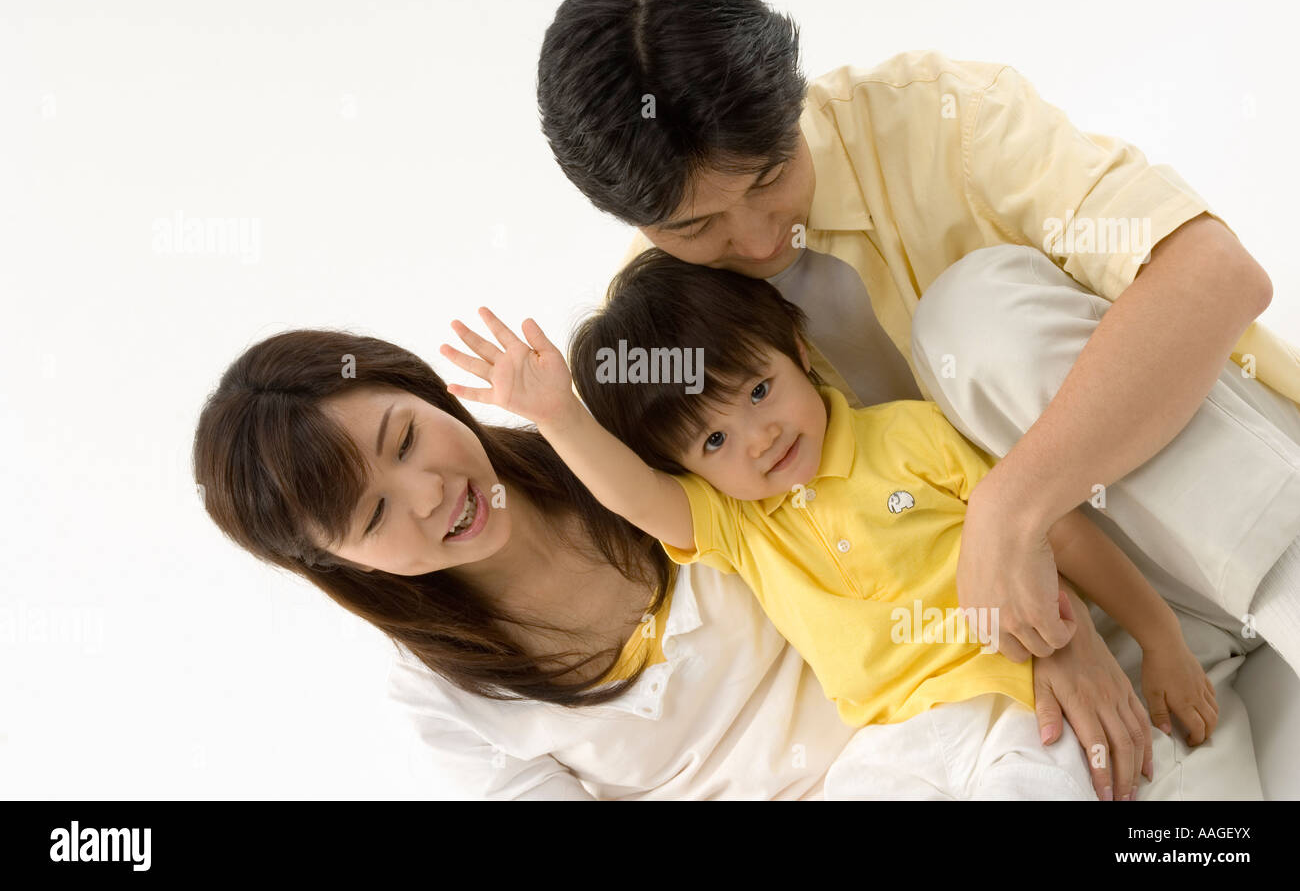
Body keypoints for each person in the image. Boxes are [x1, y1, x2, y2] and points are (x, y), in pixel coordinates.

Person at [534, 0, 1300, 755]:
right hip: (1073, 655)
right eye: (697, 226)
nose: (757, 240)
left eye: (769, 177)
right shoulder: (665, 325)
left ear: (793, 97)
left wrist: (1014, 505)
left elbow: (1216, 275)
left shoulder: (940, 118)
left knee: (970, 321)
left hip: (1236, 518)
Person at [195, 328, 1190, 800]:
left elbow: (873, 506)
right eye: (372, 512)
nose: (427, 493)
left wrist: (1029, 629)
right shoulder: (445, 700)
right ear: (338, 565)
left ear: (431, 392)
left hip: (942, 714)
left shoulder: (637, 449)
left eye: (407, 436)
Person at [438, 249, 1217, 799]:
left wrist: (1161, 638)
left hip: (1018, 700)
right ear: (692, 468)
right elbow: (635, 497)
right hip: (888, 742)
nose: (759, 436)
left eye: (758, 390)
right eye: (714, 441)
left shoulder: (912, 436)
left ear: (800, 352)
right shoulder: (736, 523)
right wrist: (556, 414)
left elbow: (1062, 533)